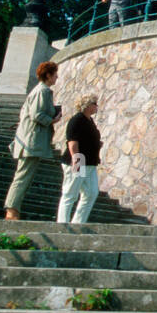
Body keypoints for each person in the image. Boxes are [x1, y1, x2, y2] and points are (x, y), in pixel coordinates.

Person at [4, 61, 60, 220]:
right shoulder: (42, 91)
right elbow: (37, 114)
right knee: (23, 176)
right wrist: (53, 120)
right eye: (55, 73)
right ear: (48, 75)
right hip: (31, 140)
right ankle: (12, 210)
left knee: (24, 175)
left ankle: (14, 209)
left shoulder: (40, 91)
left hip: (30, 139)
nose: (57, 77)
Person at [57, 94, 102, 224]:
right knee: (70, 193)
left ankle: (78, 223)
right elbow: (72, 142)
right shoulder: (77, 120)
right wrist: (77, 162)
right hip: (79, 161)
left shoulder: (89, 120)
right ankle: (62, 224)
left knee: (91, 193)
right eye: (94, 103)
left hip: (90, 163)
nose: (97, 106)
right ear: (87, 105)